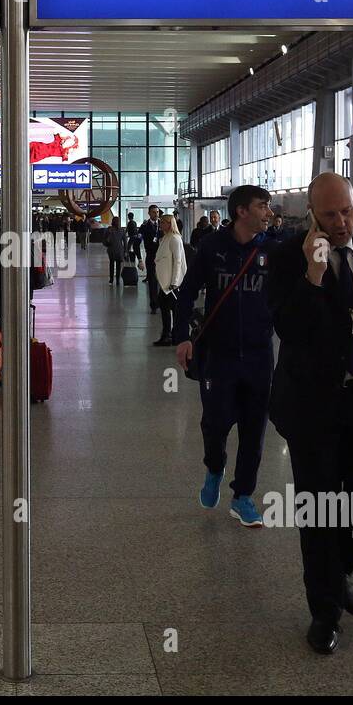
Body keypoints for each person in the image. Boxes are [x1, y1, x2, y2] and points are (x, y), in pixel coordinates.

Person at [267, 172, 353, 655]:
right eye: (330, 214)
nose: (343, 222)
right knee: (320, 512)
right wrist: (313, 273)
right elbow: (288, 327)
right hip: (313, 405)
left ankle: (338, 572)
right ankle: (323, 614)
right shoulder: (289, 256)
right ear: (312, 213)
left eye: (348, 210)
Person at [173, 186, 277, 525]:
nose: (268, 212)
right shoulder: (213, 247)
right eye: (263, 206)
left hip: (260, 355)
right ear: (242, 211)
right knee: (215, 424)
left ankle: (243, 495)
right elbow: (187, 292)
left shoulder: (273, 248)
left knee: (253, 429)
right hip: (220, 355)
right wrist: (183, 338)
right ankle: (214, 468)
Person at [154, 215, 187, 346]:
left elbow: (178, 261)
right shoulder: (165, 237)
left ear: (169, 224)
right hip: (165, 282)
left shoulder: (174, 238)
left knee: (173, 309)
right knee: (165, 307)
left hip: (172, 284)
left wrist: (175, 281)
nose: (160, 224)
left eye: (162, 222)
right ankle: (169, 334)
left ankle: (172, 335)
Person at [140, 205, 162, 312]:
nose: (156, 214)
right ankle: (154, 305)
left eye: (157, 212)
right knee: (152, 282)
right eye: (153, 212)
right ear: (149, 213)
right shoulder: (144, 226)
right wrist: (140, 260)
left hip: (163, 258)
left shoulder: (163, 225)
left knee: (163, 281)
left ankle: (163, 302)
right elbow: (137, 243)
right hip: (151, 257)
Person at [104, 215, 127, 285]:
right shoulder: (122, 230)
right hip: (119, 249)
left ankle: (111, 280)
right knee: (118, 265)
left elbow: (104, 239)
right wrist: (125, 251)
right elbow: (125, 241)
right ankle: (117, 280)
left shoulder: (109, 229)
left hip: (111, 249)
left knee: (111, 264)